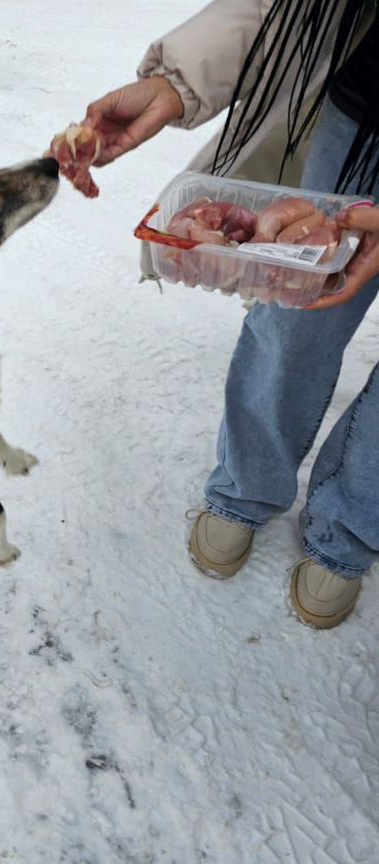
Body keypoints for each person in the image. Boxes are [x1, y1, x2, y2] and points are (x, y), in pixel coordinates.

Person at [80, 0, 379, 628]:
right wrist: (177, 81)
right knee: (296, 306)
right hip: (366, 118)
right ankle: (248, 481)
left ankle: (352, 519)